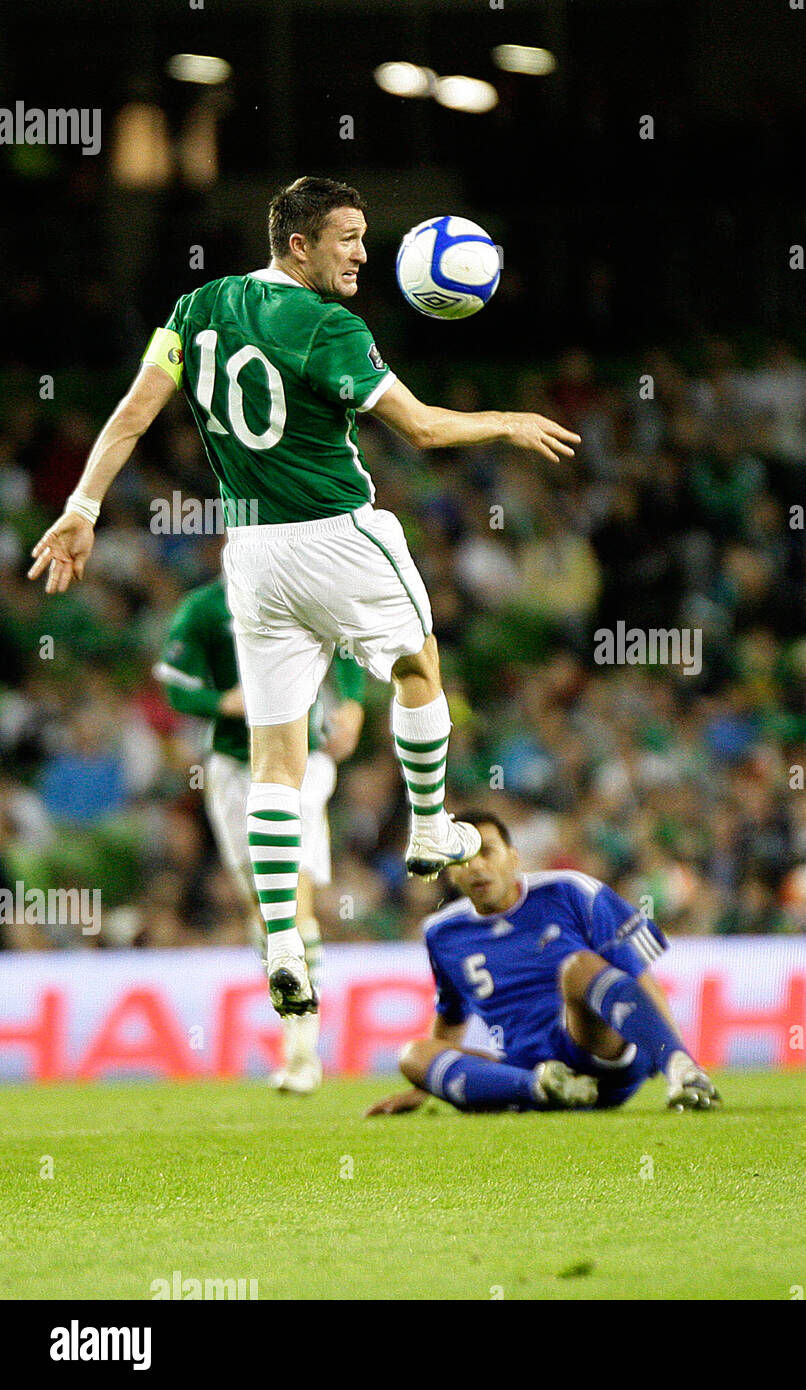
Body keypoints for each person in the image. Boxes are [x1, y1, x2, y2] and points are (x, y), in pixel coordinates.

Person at [28, 176, 581, 1019]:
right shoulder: (329, 325)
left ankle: (282, 941)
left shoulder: (195, 307)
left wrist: (81, 508)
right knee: (419, 667)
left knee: (277, 759)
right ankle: (430, 827)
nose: (365, 253)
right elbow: (425, 429)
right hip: (337, 535)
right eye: (349, 238)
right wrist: (505, 418)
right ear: (299, 246)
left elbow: (135, 414)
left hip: (251, 556)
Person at [155, 573, 366, 1093]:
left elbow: (347, 646)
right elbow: (173, 685)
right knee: (261, 906)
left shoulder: (308, 584)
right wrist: (219, 703)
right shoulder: (204, 608)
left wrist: (355, 704)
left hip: (303, 757)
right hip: (232, 765)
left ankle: (302, 1051)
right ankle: (294, 1034)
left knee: (294, 894)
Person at [364, 811, 720, 1115]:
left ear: (513, 857)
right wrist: (425, 1086)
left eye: (487, 852)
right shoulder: (442, 932)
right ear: (450, 873)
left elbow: (639, 977)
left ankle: (679, 1070)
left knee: (577, 968)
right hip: (527, 1066)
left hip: (599, 1051)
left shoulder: (569, 891)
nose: (476, 867)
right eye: (462, 860)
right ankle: (545, 1088)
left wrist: (678, 1058)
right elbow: (451, 1017)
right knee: (412, 1055)